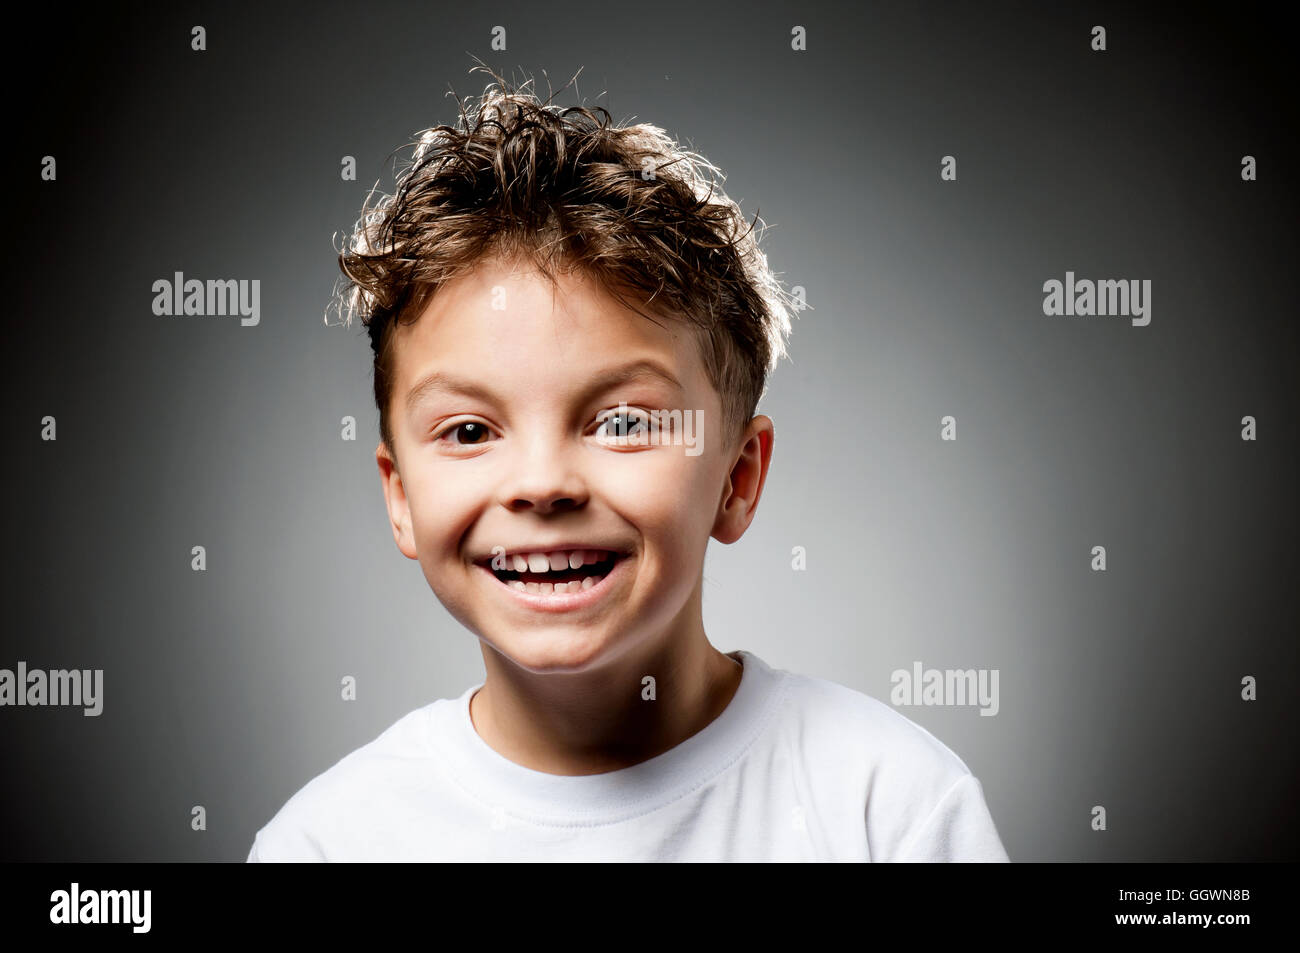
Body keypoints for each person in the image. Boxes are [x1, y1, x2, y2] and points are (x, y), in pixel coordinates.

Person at [247, 69, 1009, 862]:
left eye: (621, 421)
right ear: (400, 497)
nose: (542, 483)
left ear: (737, 479)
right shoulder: (328, 844)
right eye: (470, 430)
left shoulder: (890, 811)